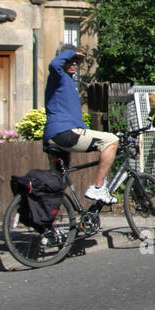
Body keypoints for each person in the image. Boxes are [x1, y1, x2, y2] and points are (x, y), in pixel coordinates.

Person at [44, 46, 118, 202]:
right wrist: (70, 53)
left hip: (56, 135)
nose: (74, 64)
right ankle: (98, 188)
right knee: (111, 141)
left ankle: (47, 222)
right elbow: (53, 65)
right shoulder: (58, 77)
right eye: (70, 61)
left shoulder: (67, 81)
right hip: (64, 133)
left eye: (76, 61)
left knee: (58, 184)